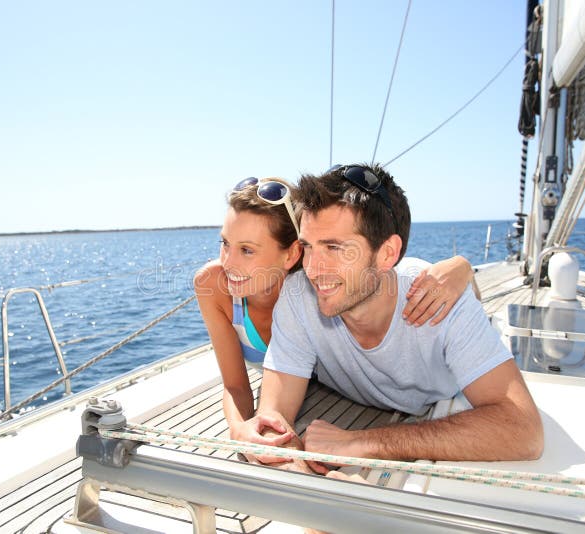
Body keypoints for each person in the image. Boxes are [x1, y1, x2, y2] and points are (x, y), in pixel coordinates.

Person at [242, 164, 544, 466]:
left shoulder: (439, 299)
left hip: (445, 400)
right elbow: (273, 416)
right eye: (308, 247)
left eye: (334, 248)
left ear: (387, 253)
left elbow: (524, 430)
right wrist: (281, 450)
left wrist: (363, 443)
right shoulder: (297, 297)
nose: (313, 269)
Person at [193, 176, 478, 444]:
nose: (227, 262)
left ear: (292, 253)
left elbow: (384, 276)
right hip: (297, 393)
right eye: (224, 243)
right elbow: (236, 385)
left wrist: (462, 268)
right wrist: (240, 429)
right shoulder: (215, 284)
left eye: (247, 250)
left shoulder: (321, 289)